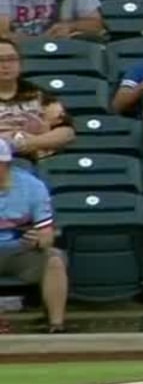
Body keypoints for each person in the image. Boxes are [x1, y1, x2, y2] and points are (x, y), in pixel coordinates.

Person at [0, 140, 68, 332]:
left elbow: (47, 235)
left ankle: (56, 325)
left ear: (4, 164)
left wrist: (39, 239)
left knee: (54, 259)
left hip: (22, 251)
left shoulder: (32, 187)